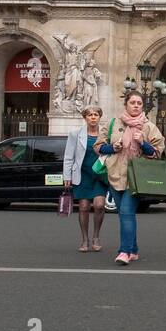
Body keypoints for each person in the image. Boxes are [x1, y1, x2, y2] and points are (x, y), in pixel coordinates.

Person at [99, 92, 165, 266]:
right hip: (115, 174)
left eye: (139, 103)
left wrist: (143, 143)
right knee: (124, 215)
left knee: (127, 212)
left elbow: (158, 153)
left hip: (136, 177)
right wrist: (112, 147)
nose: (136, 105)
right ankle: (133, 249)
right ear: (126, 104)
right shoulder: (113, 124)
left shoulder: (149, 127)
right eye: (133, 102)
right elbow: (98, 147)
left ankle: (124, 251)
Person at [62, 105, 108, 253]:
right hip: (82, 175)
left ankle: (96, 237)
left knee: (99, 205)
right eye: (90, 115)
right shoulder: (75, 134)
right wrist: (67, 176)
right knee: (83, 207)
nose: (93, 117)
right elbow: (69, 156)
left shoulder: (105, 134)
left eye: (96, 114)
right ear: (85, 118)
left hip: (99, 175)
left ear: (100, 117)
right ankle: (84, 240)